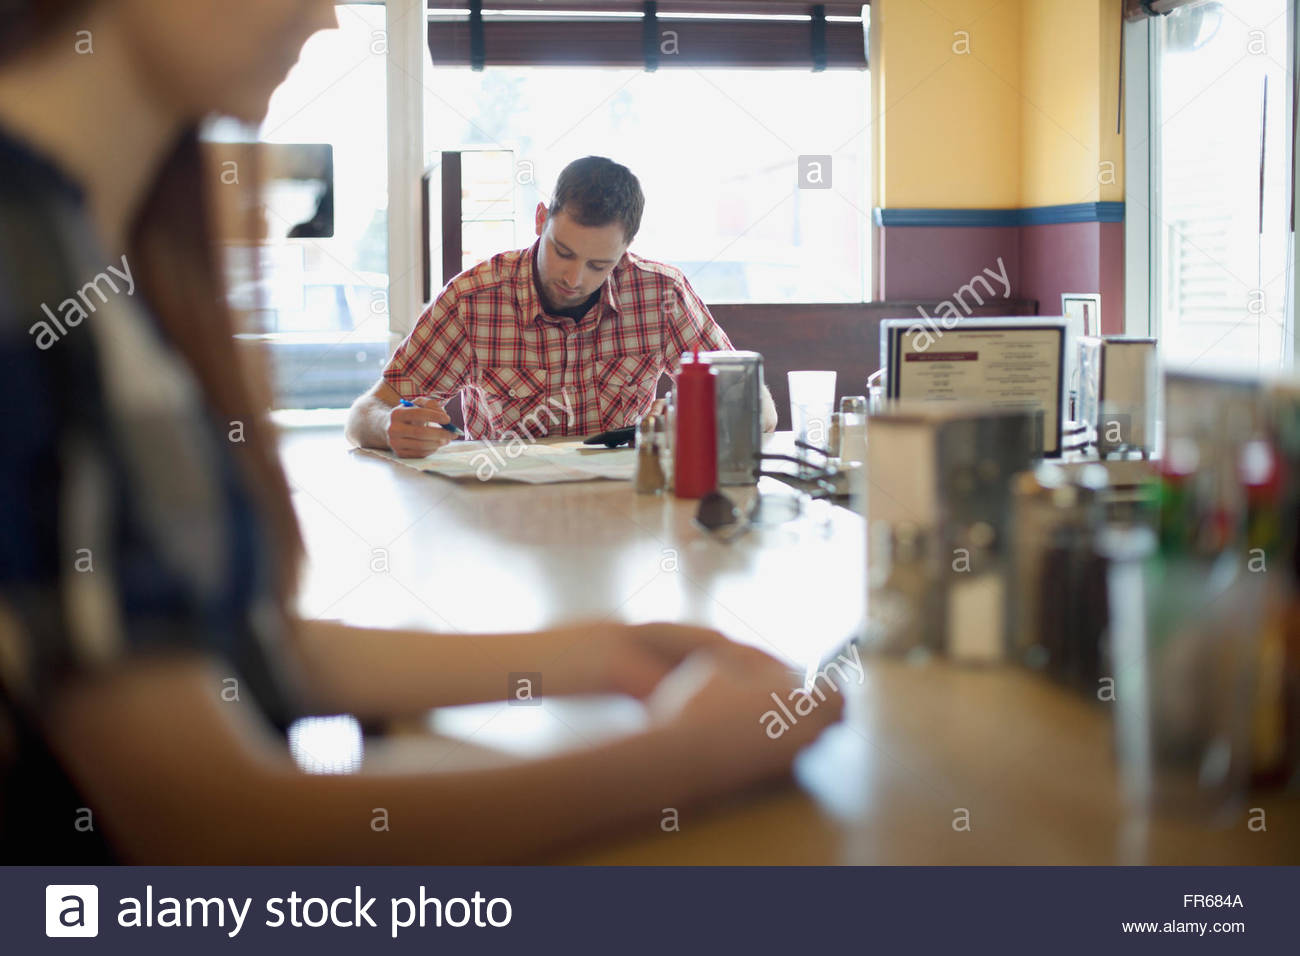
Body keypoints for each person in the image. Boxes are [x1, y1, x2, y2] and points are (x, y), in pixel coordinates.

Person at [0, 0, 838, 863]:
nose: (327, 19)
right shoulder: (26, 261)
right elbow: (207, 824)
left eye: (600, 263)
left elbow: (238, 643)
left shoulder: (96, 247)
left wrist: (609, 652)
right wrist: (695, 756)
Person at [346, 156, 778, 458]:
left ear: (626, 249)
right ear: (540, 221)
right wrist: (389, 427)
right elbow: (364, 413)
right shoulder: (473, 299)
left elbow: (759, 409)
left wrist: (698, 423)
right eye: (563, 251)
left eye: (598, 264)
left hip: (625, 503)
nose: (575, 279)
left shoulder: (661, 294)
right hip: (501, 504)